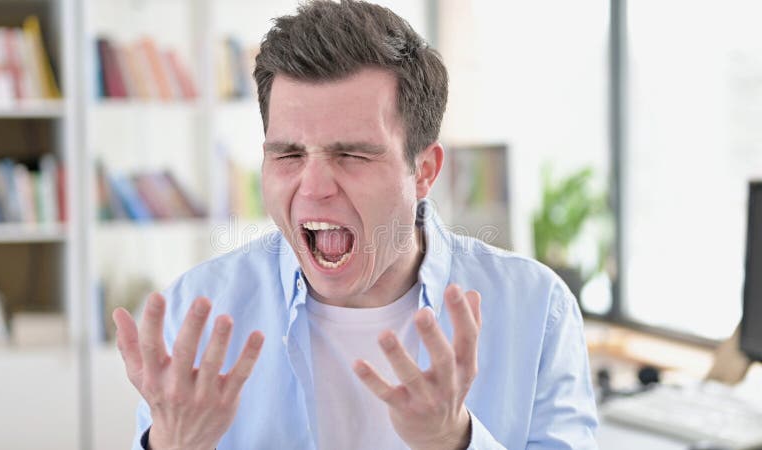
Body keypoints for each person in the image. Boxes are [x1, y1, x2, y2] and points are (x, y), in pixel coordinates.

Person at [112, 1, 599, 449]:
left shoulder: (537, 310)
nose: (313, 187)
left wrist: (454, 440)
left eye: (352, 155)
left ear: (425, 171)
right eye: (289, 154)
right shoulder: (196, 313)